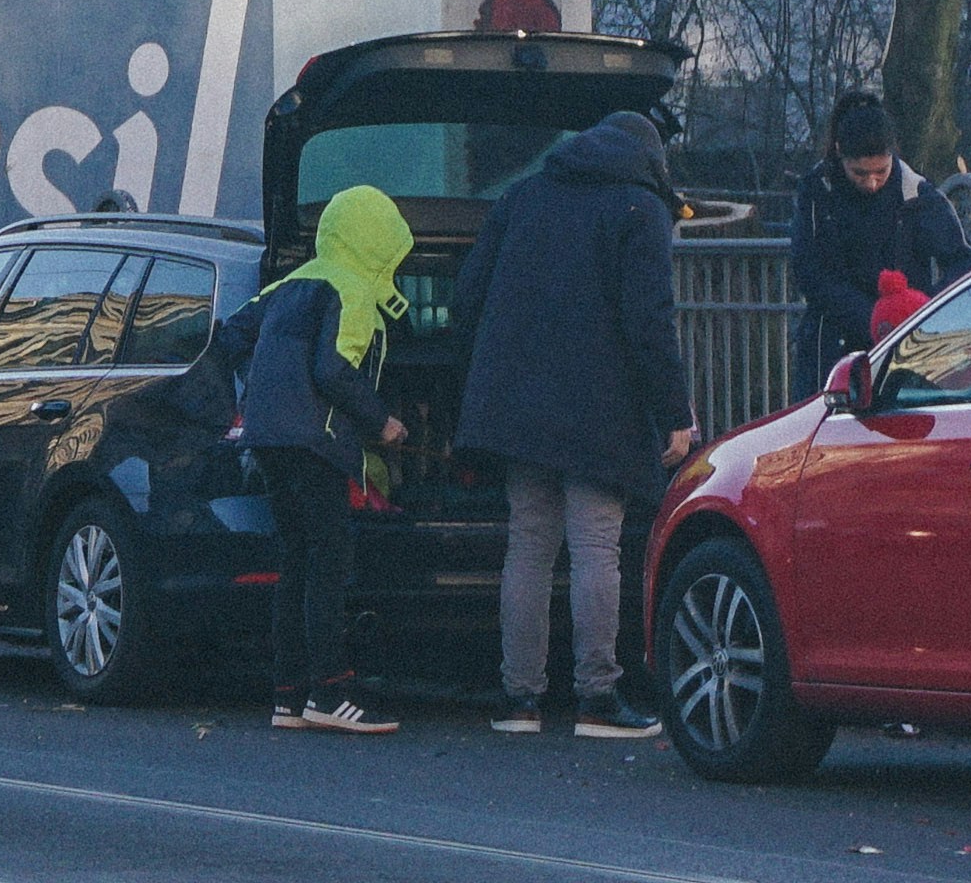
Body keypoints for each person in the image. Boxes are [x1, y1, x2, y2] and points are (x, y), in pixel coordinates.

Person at [458, 112, 697, 737]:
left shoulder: (523, 194)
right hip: (598, 408)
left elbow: (468, 296)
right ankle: (596, 697)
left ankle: (520, 701)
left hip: (516, 403)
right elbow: (651, 321)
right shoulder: (639, 209)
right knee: (596, 548)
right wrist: (675, 413)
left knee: (528, 546)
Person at [237, 182, 416, 734]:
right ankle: (331, 691)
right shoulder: (353, 288)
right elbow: (334, 368)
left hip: (267, 438)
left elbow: (234, 333)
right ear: (376, 243)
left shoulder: (290, 283)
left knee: (294, 563)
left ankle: (287, 696)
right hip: (314, 441)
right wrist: (381, 422)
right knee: (328, 565)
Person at [789, 90, 971, 400]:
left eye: (880, 172)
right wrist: (873, 317)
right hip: (831, 345)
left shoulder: (915, 193)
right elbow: (809, 272)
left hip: (902, 344)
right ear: (839, 153)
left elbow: (963, 261)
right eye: (860, 173)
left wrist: (921, 309)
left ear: (893, 156)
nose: (872, 182)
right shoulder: (816, 191)